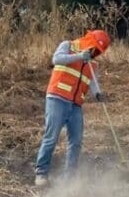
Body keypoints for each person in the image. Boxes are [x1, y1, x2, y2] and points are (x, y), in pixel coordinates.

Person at [34, 29, 111, 187]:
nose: (96, 53)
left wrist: (98, 94)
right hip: (57, 98)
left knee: (76, 141)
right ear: (89, 41)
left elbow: (93, 82)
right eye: (95, 48)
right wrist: (80, 56)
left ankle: (70, 179)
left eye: (99, 51)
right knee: (51, 137)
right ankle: (41, 174)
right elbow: (56, 59)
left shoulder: (93, 63)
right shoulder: (68, 46)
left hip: (76, 104)